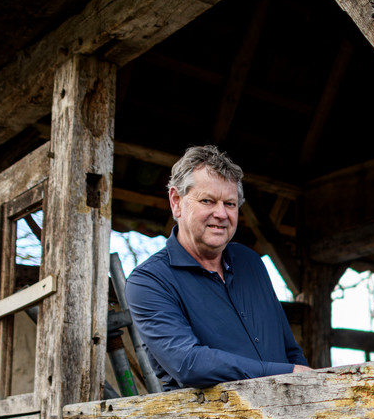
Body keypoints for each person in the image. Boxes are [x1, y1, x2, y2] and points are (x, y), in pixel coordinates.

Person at [125, 145, 309, 389]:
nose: (221, 214)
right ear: (176, 201)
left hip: (285, 418)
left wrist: (306, 382)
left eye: (230, 204)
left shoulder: (251, 262)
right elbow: (190, 364)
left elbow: (289, 349)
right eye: (207, 201)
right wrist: (288, 373)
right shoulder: (149, 282)